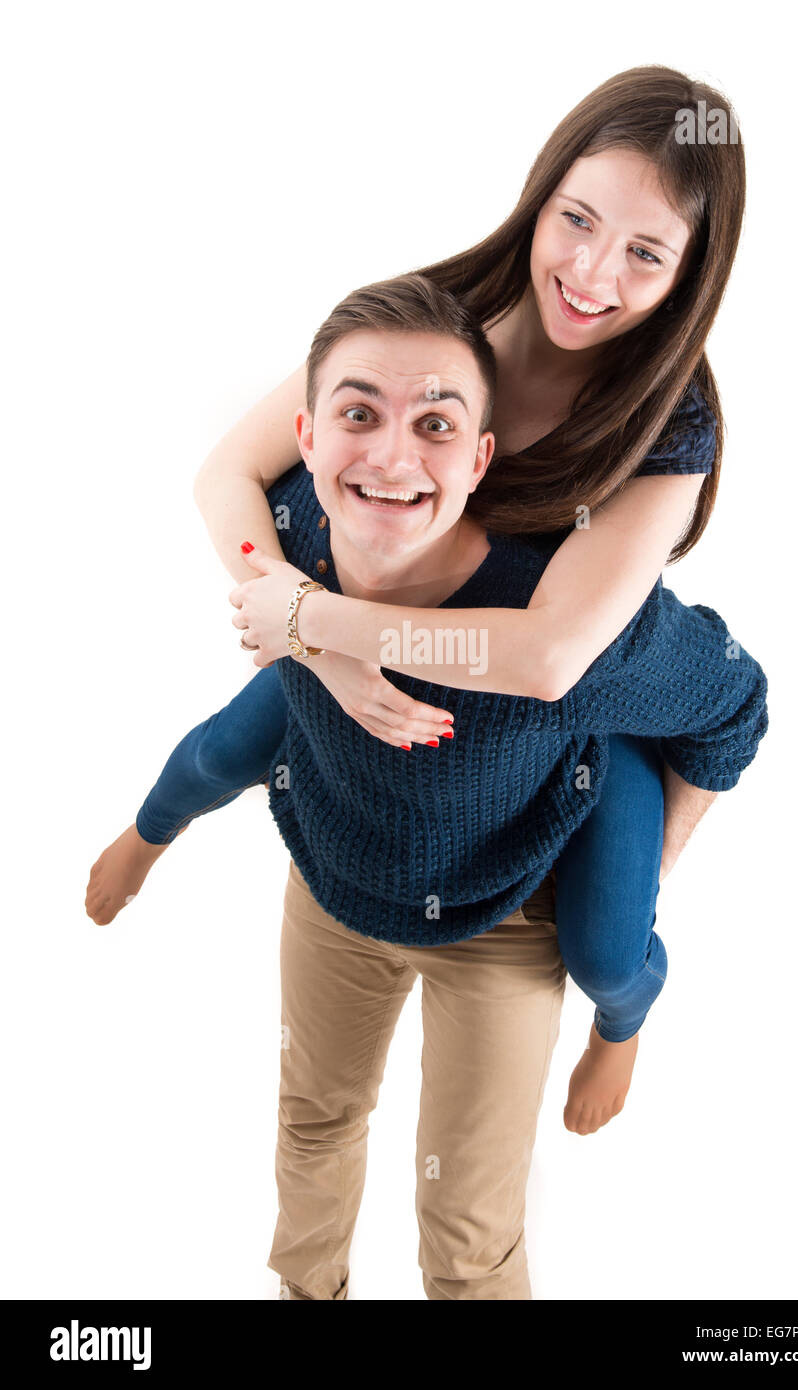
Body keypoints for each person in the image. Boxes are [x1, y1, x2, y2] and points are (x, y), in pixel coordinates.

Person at [87, 64, 753, 1138]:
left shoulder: (671, 427)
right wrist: (328, 650)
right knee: (215, 751)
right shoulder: (444, 321)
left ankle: (626, 1025)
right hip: (392, 663)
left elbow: (549, 661)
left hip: (575, 710)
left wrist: (311, 625)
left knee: (605, 946)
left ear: (689, 274)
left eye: (644, 252)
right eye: (576, 220)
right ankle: (146, 834)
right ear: (541, 198)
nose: (590, 272)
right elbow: (229, 473)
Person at [89, 275, 767, 1300]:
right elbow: (224, 691)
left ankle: (624, 1022)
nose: (394, 458)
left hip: (507, 910)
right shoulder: (287, 547)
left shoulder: (570, 627)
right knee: (312, 1119)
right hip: (341, 879)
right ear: (306, 437)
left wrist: (663, 848)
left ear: (482, 457)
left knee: (472, 1219)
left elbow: (735, 703)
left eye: (437, 424)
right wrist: (309, 640)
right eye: (359, 415)